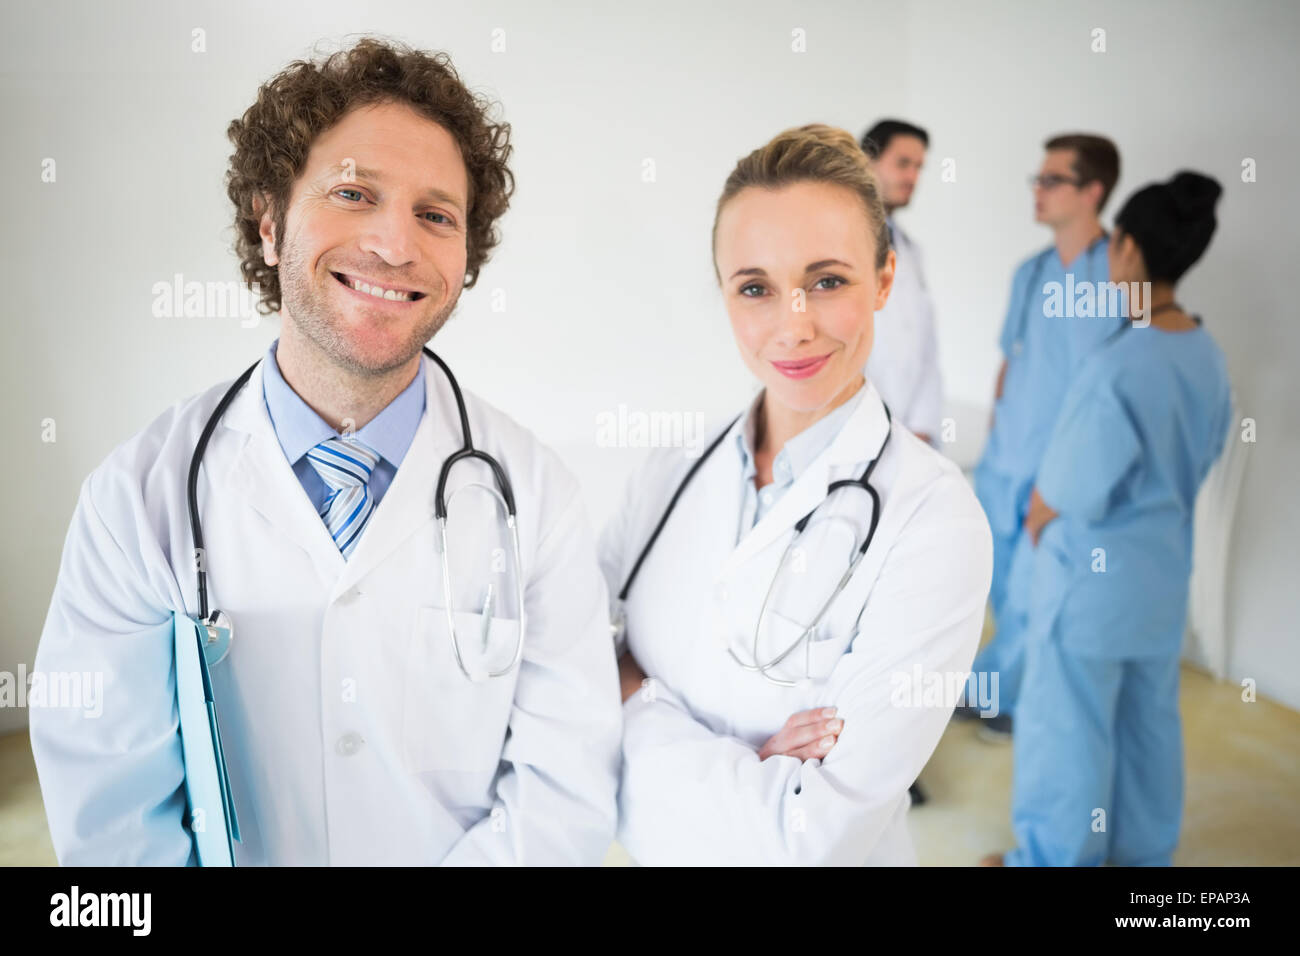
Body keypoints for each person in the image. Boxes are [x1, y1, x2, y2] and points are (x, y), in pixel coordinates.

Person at [29, 38, 622, 866]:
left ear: (465, 256)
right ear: (270, 225)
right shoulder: (139, 499)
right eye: (353, 192)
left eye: (435, 214)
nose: (394, 243)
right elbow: (113, 817)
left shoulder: (535, 496)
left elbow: (565, 791)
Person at [601, 124, 992, 865]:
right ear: (725, 295)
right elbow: (573, 659)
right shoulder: (672, 467)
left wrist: (634, 702)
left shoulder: (935, 521)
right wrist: (752, 767)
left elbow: (804, 838)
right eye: (756, 288)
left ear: (883, 279)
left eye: (828, 280)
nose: (794, 324)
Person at [984, 171, 1231, 866]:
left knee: (1068, 729)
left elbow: (1063, 490)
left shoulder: (1119, 365)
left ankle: (1053, 859)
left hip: (1089, 589)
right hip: (1159, 584)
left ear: (1124, 250)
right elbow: (1205, 454)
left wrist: (1036, 523)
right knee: (1148, 723)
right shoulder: (1206, 356)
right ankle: (1143, 858)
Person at [964, 134, 1124, 739]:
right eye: (1038, 178)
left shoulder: (1116, 274)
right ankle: (995, 691)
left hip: (1058, 474)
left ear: (1093, 191)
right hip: (1005, 460)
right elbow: (1012, 359)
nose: (1038, 189)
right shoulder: (1030, 272)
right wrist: (998, 432)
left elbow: (1111, 390)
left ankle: (1009, 703)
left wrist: (1068, 481)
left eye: (1052, 180)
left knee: (1038, 595)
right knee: (999, 590)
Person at [860, 119, 943, 445]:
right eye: (903, 164)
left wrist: (923, 428)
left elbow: (926, 348)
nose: (913, 177)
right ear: (866, 160)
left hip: (910, 435)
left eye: (919, 167)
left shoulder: (911, 251)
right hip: (860, 431)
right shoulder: (837, 243)